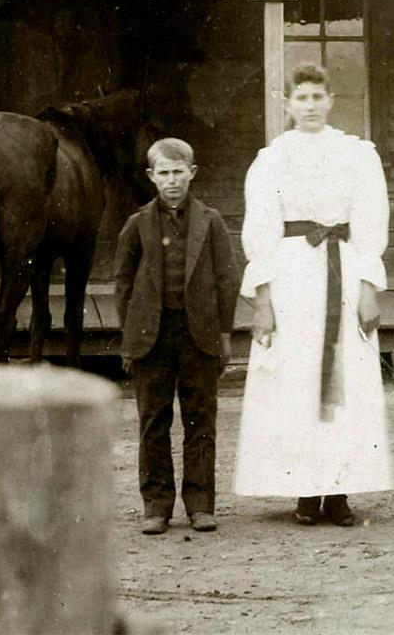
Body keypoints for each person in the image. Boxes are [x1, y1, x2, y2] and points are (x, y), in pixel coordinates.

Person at [234, 63, 393, 526]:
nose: (309, 106)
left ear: (330, 101)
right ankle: (304, 489)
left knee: (345, 379)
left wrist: (369, 290)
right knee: (296, 381)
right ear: (288, 103)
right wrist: (263, 302)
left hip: (344, 270)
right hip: (292, 278)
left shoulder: (357, 154)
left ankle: (339, 490)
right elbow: (260, 231)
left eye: (317, 97)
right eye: (300, 98)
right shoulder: (271, 159)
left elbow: (371, 224)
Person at [113, 137, 241, 535]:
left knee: (200, 420)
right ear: (151, 176)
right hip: (151, 336)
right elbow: (123, 284)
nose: (172, 181)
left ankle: (201, 505)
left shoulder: (210, 221)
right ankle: (156, 506)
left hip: (198, 335)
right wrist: (131, 336)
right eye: (164, 173)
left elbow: (227, 278)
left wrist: (223, 333)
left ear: (192, 173)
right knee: (154, 421)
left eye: (178, 172)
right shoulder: (137, 224)